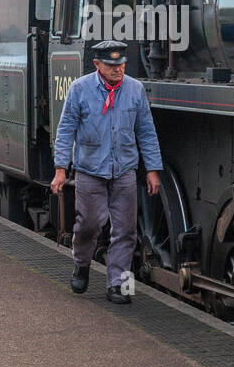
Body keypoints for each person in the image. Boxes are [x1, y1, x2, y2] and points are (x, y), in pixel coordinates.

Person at [50, 40, 163, 303]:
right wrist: (60, 169)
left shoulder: (135, 90)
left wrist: (152, 169)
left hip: (124, 169)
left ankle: (117, 284)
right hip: (90, 169)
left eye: (121, 64)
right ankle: (81, 263)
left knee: (125, 230)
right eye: (112, 65)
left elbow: (146, 131)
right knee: (89, 224)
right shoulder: (80, 89)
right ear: (97, 65)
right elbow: (66, 130)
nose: (118, 70)